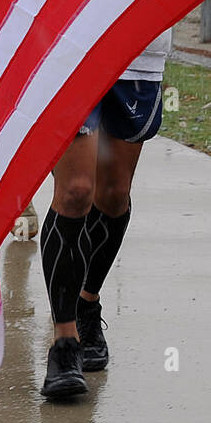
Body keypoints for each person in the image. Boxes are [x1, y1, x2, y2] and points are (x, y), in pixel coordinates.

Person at [39, 29, 172, 398]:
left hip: (137, 40)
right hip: (70, 36)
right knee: (76, 189)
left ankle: (86, 303)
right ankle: (64, 344)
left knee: (114, 194)